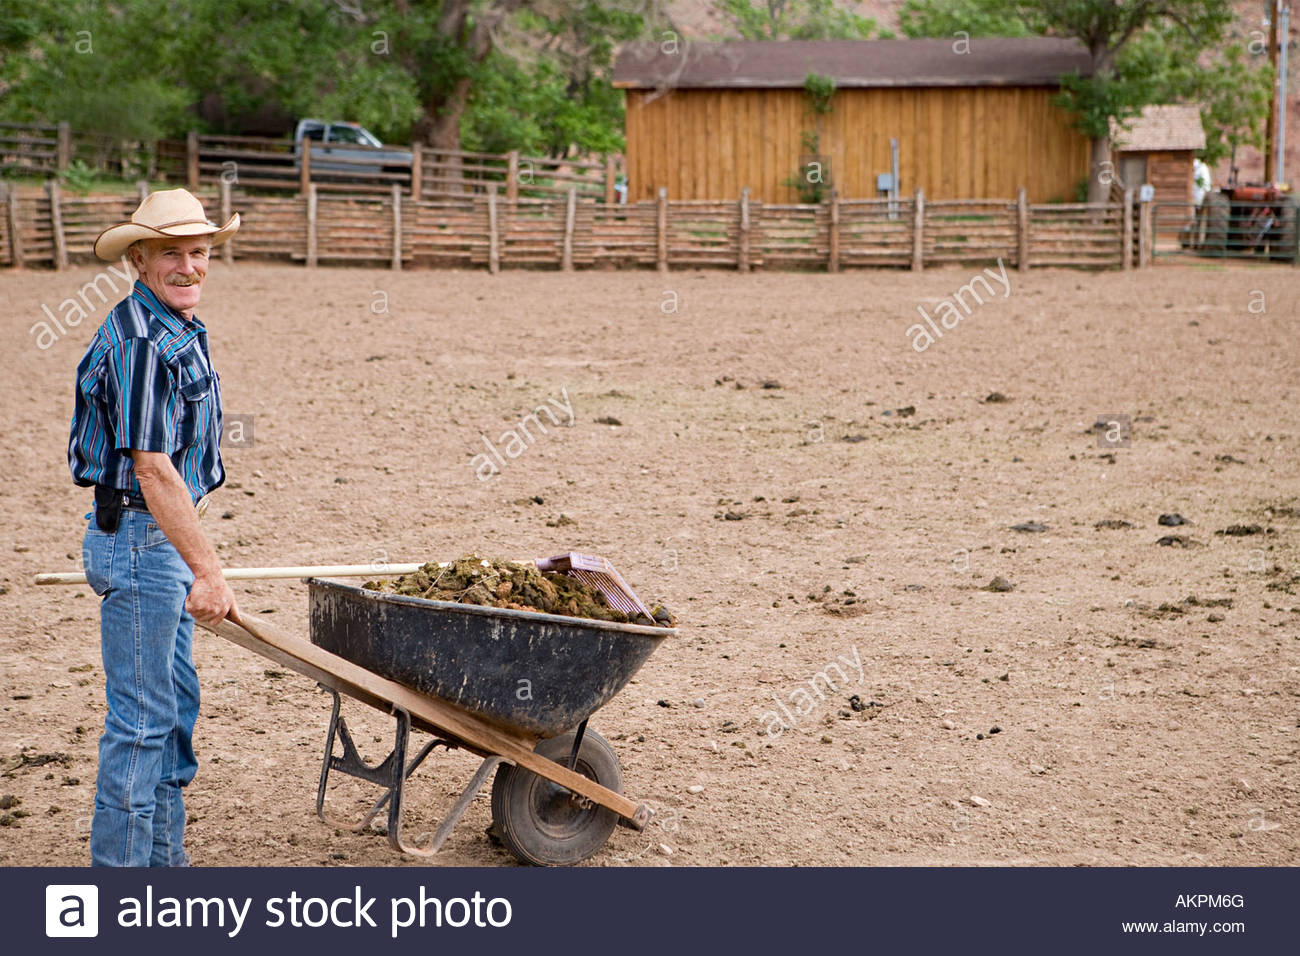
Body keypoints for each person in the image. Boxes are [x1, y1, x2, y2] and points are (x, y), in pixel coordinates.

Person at [68, 188, 241, 866]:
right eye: (172, 253)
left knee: (169, 719)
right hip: (142, 542)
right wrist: (208, 569)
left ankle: (166, 879)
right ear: (139, 259)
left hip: (157, 541)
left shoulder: (172, 324)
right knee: (141, 728)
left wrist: (195, 561)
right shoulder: (141, 340)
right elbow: (151, 467)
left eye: (199, 253)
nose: (190, 266)